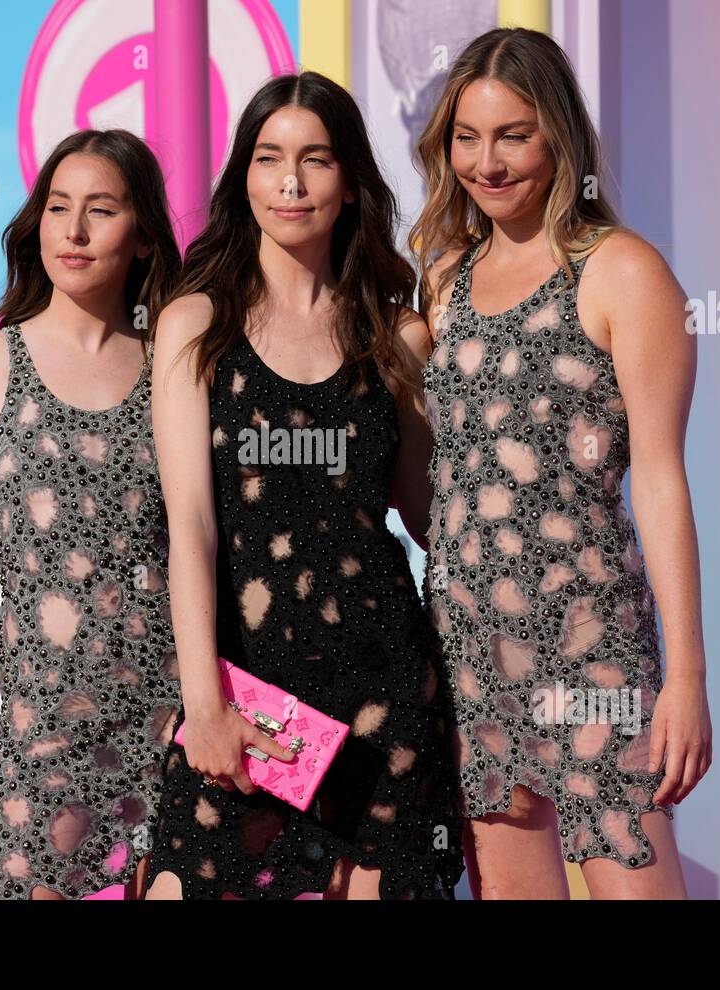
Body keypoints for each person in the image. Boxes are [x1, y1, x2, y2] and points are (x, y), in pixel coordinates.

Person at [144, 72, 465, 900]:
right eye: (268, 158)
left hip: (383, 696)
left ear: (350, 181)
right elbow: (191, 528)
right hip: (241, 691)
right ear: (242, 177)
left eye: (316, 160)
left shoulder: (396, 336)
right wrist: (203, 703)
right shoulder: (195, 324)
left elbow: (429, 518)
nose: (290, 182)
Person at [411, 27, 712, 898]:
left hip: (593, 655)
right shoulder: (444, 283)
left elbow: (659, 480)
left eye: (514, 136)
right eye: (467, 138)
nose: (487, 162)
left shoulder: (621, 273)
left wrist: (684, 678)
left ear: (561, 138)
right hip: (469, 653)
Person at [0, 129, 183, 899]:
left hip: (173, 716)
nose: (73, 230)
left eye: (101, 210)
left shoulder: (176, 364)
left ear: (142, 237)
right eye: (58, 207)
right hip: (45, 723)